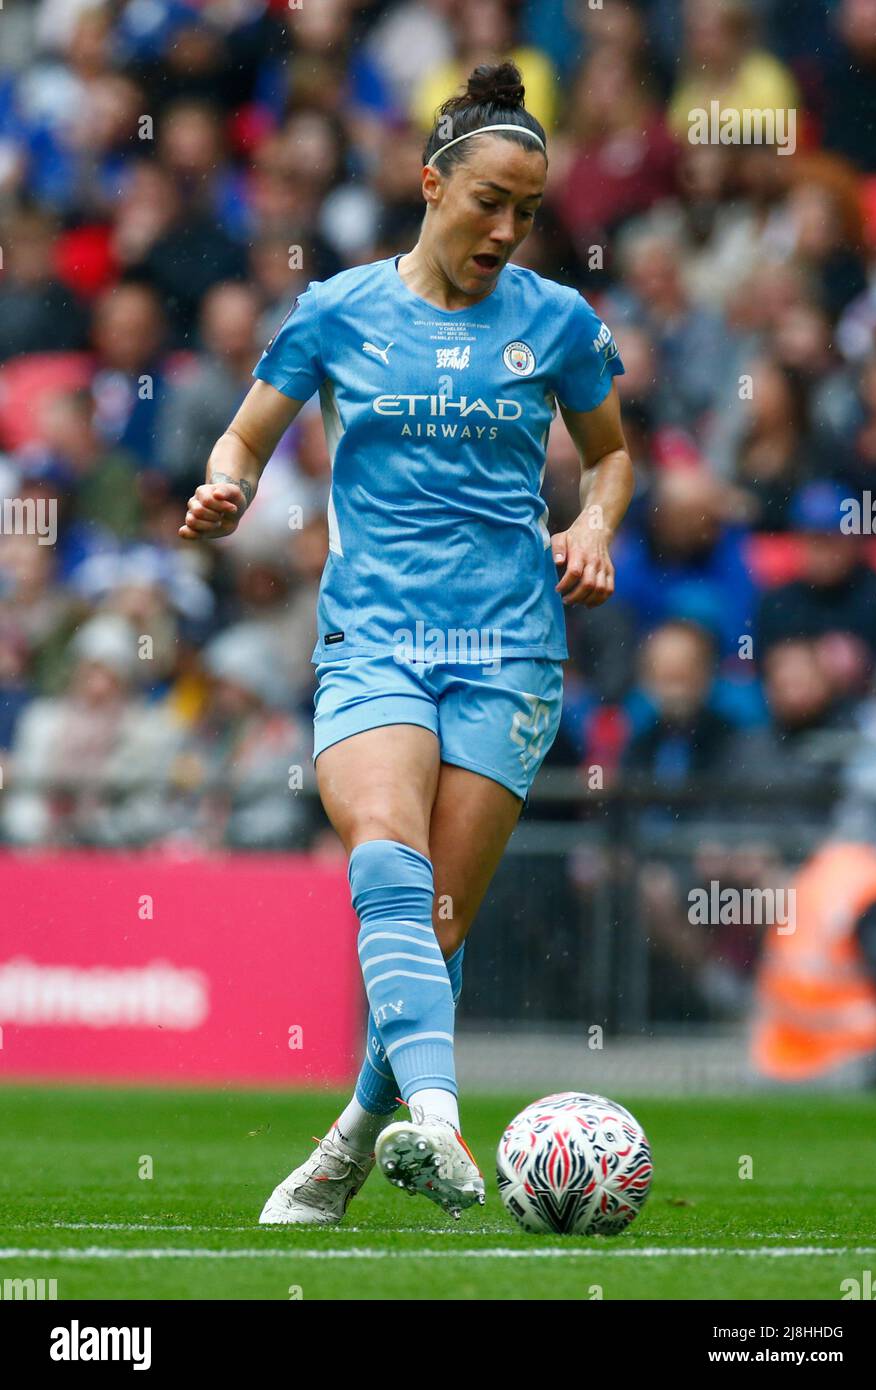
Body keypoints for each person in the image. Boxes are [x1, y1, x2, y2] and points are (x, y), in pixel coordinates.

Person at [178, 61, 633, 1224]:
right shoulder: (336, 310)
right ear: (431, 185)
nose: (505, 230)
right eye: (487, 201)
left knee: (435, 923)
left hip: (510, 648)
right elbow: (243, 439)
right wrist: (225, 489)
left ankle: (346, 1140)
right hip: (374, 635)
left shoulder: (558, 322)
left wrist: (590, 519)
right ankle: (439, 1120)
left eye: (526, 213)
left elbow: (612, 451)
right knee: (386, 851)